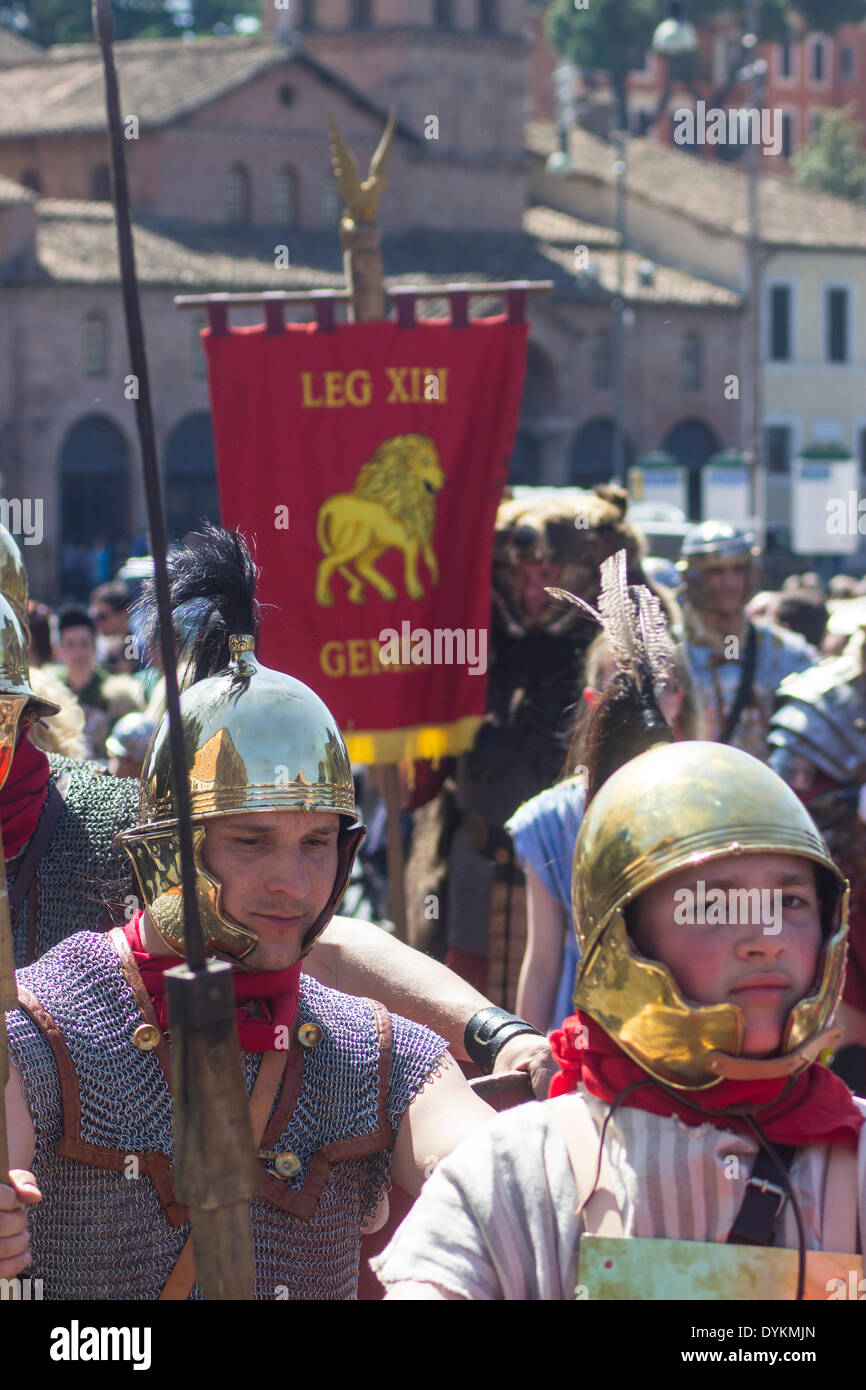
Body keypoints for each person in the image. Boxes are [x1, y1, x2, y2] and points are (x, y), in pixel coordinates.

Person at [373, 556, 863, 1301]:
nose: (764, 935)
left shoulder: (857, 1160)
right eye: (711, 904)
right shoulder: (515, 1174)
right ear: (624, 935)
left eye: (792, 901)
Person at [0, 583, 500, 1298]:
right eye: (252, 842)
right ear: (174, 851)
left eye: (317, 842)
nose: (292, 883)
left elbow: (487, 1169)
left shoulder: (365, 1047)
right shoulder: (51, 1022)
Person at [509, 629, 697, 1034]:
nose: (642, 700)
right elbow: (543, 961)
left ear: (678, 697)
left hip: (691, 1018)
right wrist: (524, 1061)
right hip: (587, 1027)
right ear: (594, 701)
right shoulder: (550, 821)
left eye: (658, 684)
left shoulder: (707, 803)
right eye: (623, 683)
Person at [768, 623, 866, 1090]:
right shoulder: (823, 704)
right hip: (851, 900)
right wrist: (854, 802)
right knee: (849, 1048)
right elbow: (787, 817)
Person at [677, 522, 815, 761]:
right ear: (694, 577)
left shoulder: (787, 652)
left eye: (737, 570)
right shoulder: (668, 653)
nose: (729, 583)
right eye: (716, 572)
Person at [52, 606, 141, 759]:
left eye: (84, 644)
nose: (77, 653)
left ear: (94, 646)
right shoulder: (49, 693)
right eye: (70, 645)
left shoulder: (120, 696)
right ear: (59, 650)